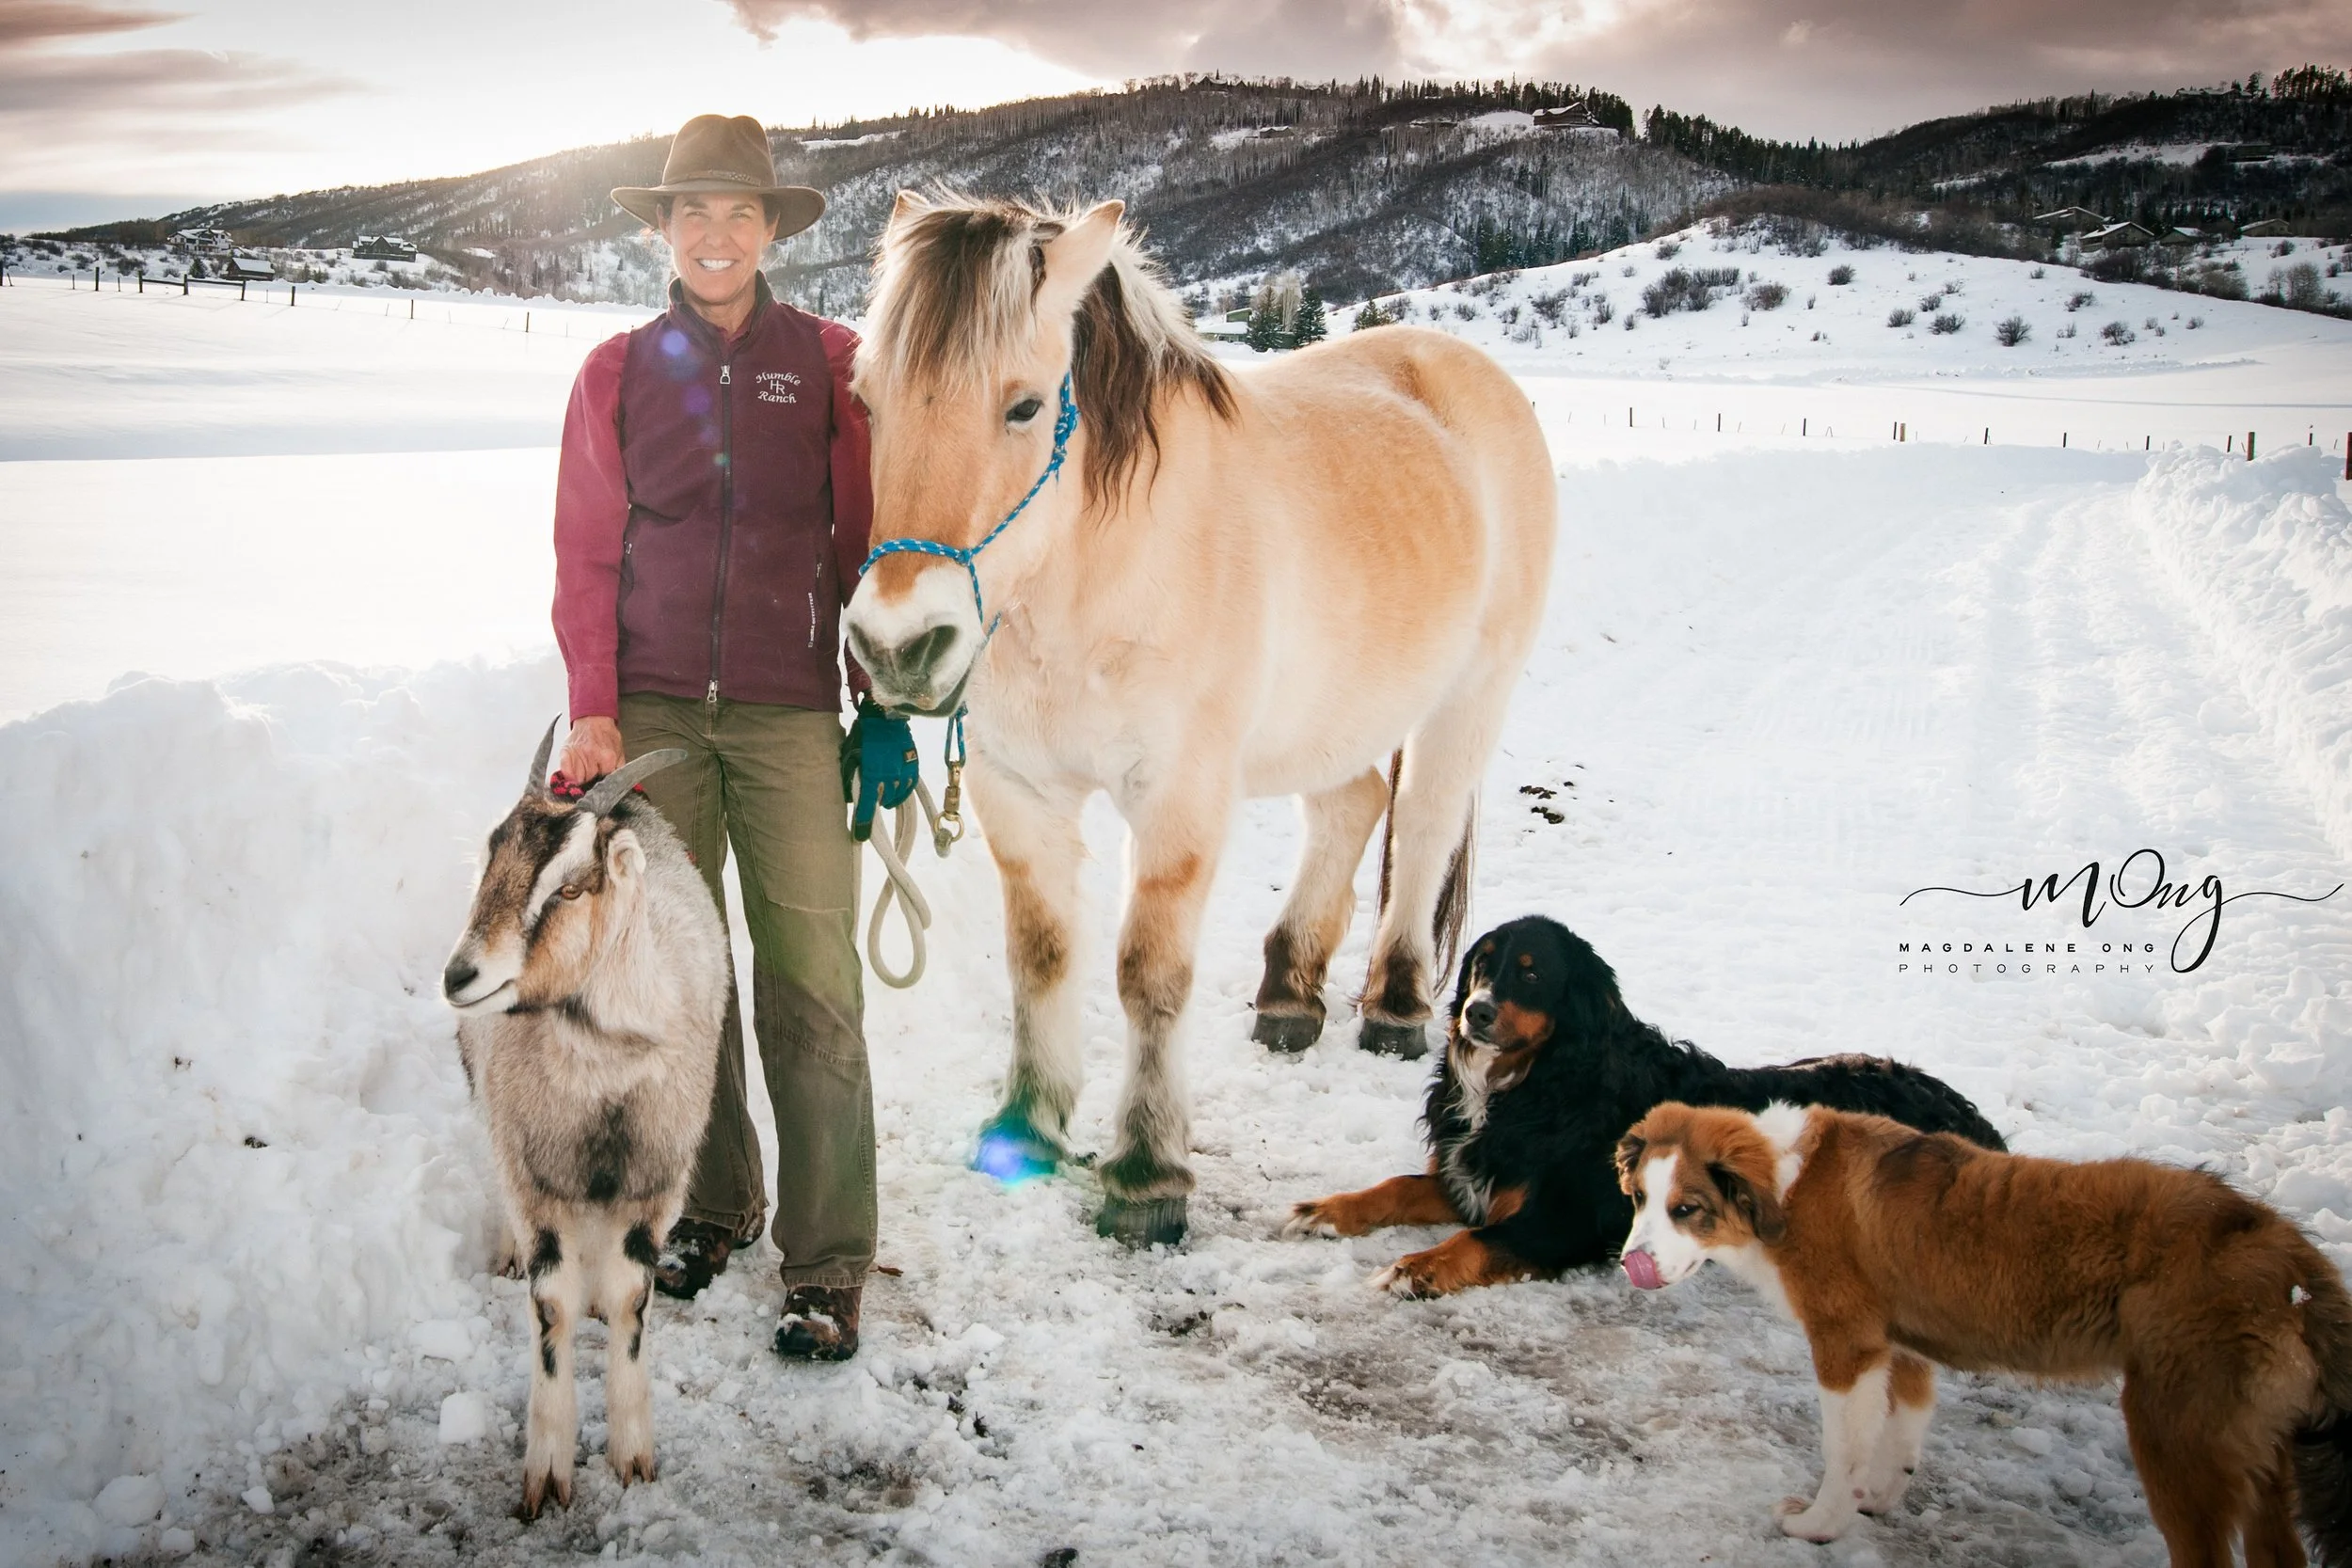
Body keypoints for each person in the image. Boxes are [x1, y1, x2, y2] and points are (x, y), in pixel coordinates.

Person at [549, 113, 908, 1362]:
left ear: (770, 230)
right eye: (691, 212)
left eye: (738, 213)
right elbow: (588, 551)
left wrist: (890, 707)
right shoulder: (613, 372)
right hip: (652, 715)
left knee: (813, 989)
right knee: (678, 987)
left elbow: (871, 547)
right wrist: (594, 703)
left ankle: (827, 1262)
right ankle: (714, 1206)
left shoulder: (833, 365)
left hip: (793, 713)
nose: (715, 234)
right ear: (661, 229)